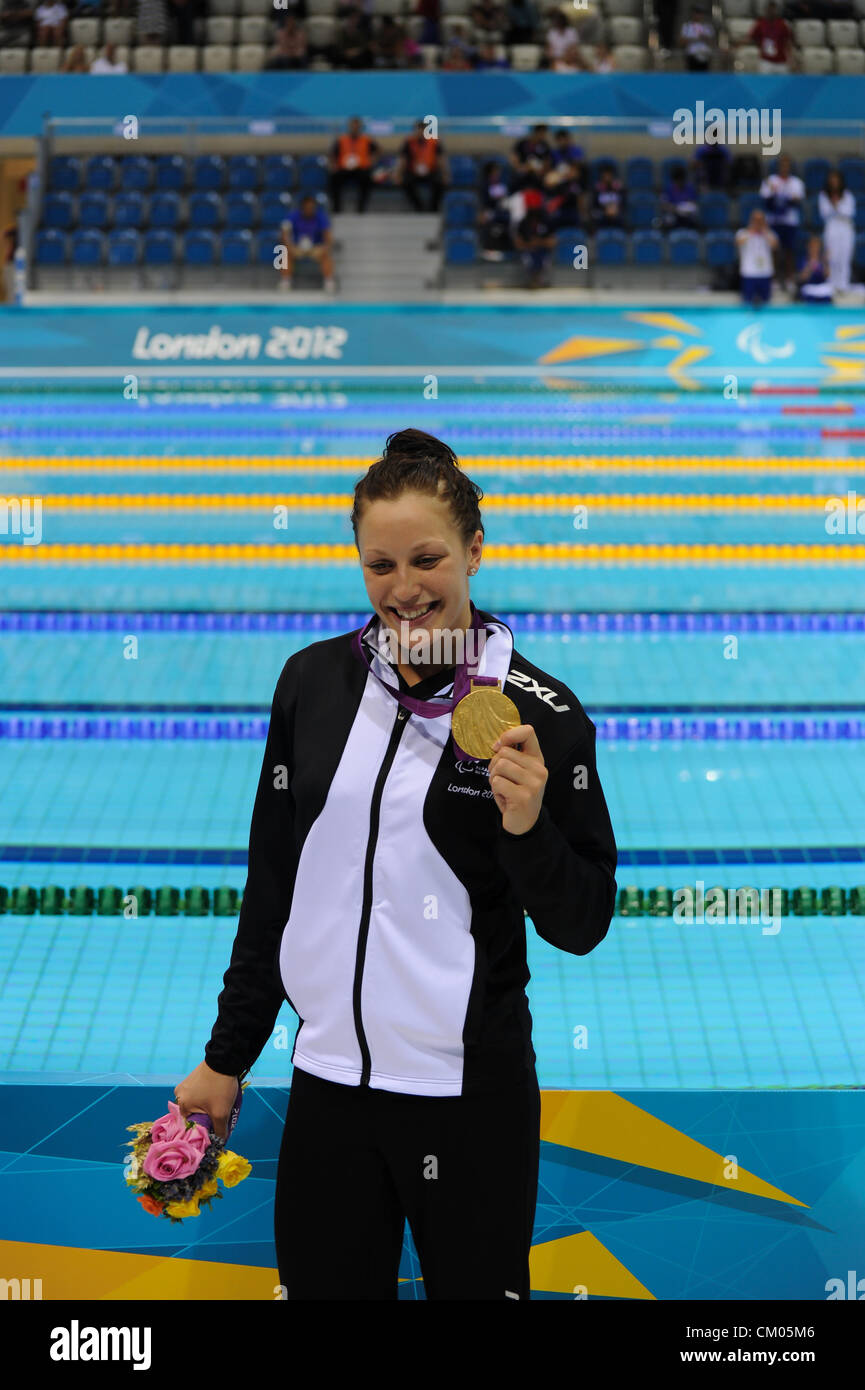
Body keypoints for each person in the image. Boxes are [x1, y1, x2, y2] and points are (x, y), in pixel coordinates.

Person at [174, 428, 617, 1301]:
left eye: (427, 560)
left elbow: (583, 923)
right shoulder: (312, 684)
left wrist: (527, 827)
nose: (404, 591)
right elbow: (276, 890)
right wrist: (228, 1057)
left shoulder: (543, 716)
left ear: (474, 552)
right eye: (379, 567)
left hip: (469, 1100)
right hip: (329, 1090)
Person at [760, 154, 805, 292]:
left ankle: (789, 279)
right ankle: (774, 279)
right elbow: (766, 200)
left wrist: (785, 197)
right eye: (782, 164)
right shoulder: (770, 181)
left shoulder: (796, 182)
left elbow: (797, 200)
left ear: (790, 166)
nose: (784, 167)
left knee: (789, 251)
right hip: (774, 221)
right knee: (773, 251)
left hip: (789, 221)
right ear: (779, 166)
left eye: (787, 164)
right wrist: (775, 193)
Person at [277, 194, 335, 291]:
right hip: (296, 247)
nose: (309, 209)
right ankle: (285, 281)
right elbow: (284, 233)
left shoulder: (321, 217)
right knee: (284, 253)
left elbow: (328, 236)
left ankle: (329, 281)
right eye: (307, 207)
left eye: (312, 208)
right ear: (302, 208)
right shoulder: (292, 216)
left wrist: (324, 247)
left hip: (315, 248)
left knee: (326, 254)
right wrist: (290, 246)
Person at [329, 115, 379, 213]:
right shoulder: (342, 140)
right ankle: (337, 209)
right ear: (349, 126)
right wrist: (333, 165)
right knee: (334, 178)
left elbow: (377, 151)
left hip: (361, 169)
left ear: (360, 127)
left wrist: (371, 161)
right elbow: (333, 154)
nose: (355, 128)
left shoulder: (366, 140)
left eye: (357, 126)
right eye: (353, 126)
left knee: (367, 179)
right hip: (344, 168)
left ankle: (361, 209)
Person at [397, 118, 447, 213]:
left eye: (423, 129)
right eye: (418, 129)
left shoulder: (434, 142)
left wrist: (445, 174)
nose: (420, 132)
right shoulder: (409, 142)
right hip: (413, 171)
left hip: (431, 171)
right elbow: (402, 159)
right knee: (406, 182)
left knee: (439, 183)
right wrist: (398, 174)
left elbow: (440, 159)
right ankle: (419, 207)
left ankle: (433, 208)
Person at [818, 170, 855, 292]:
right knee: (832, 256)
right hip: (832, 226)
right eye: (832, 180)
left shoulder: (848, 195)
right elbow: (824, 213)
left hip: (845, 227)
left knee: (845, 256)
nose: (834, 182)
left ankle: (844, 285)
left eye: (836, 179)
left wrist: (836, 205)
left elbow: (849, 212)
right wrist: (834, 205)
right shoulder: (823, 195)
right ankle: (832, 284)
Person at [735, 208, 778, 306]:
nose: (758, 223)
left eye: (760, 220)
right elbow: (738, 242)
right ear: (751, 220)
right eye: (756, 220)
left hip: (765, 273)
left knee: (766, 303)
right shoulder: (743, 232)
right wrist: (752, 231)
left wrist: (764, 231)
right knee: (747, 303)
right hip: (749, 273)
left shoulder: (769, 233)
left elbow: (775, 245)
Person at [745, 0, 795, 72]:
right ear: (766, 10)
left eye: (773, 9)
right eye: (769, 9)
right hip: (766, 60)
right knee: (764, 81)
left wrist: (790, 57)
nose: (771, 12)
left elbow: (788, 40)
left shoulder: (782, 24)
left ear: (776, 11)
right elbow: (752, 37)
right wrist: (759, 45)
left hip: (781, 60)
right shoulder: (760, 24)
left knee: (783, 82)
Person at [514, 202, 556, 287]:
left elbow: (552, 242)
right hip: (527, 250)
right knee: (527, 259)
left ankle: (539, 280)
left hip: (543, 251)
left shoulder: (546, 221)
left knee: (545, 259)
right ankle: (531, 281)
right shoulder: (523, 222)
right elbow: (518, 243)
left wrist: (538, 242)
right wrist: (529, 245)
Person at [478, 159, 512, 260]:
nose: (498, 173)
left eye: (498, 171)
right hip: (490, 211)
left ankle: (506, 249)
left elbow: (505, 197)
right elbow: (486, 201)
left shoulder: (501, 184)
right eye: (496, 171)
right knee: (488, 221)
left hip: (502, 211)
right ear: (490, 172)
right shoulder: (484, 185)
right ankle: (488, 249)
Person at [796, 234, 834, 302]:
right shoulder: (804, 259)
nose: (814, 248)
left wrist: (825, 262)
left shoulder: (823, 259)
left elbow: (827, 275)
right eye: (812, 246)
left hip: (821, 288)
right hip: (809, 288)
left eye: (816, 246)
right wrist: (810, 266)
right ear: (808, 247)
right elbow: (802, 278)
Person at [679, 3, 715, 70]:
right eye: (696, 13)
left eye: (700, 13)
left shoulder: (708, 27)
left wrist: (705, 38)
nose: (698, 15)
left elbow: (712, 43)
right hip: (692, 56)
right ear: (693, 14)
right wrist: (695, 39)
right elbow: (681, 42)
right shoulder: (687, 26)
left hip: (705, 56)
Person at [590, 163, 625, 229]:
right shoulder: (597, 188)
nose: (607, 177)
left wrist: (616, 208)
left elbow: (623, 201)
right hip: (602, 212)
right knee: (598, 217)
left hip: (616, 211)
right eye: (605, 175)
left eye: (609, 175)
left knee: (620, 218)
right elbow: (594, 204)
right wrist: (604, 210)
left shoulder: (619, 187)